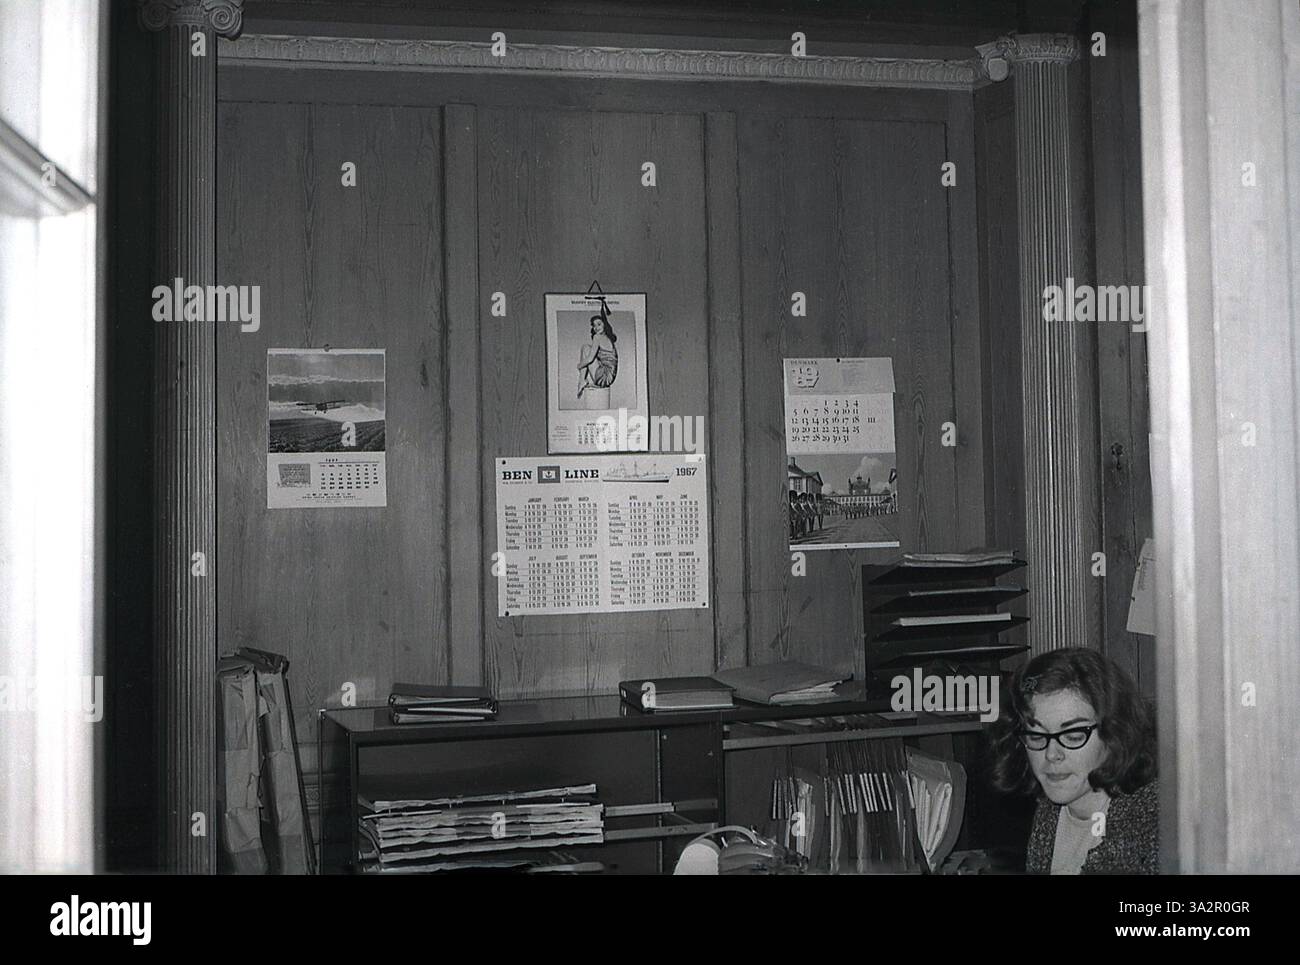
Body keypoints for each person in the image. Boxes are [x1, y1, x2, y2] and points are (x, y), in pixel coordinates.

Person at [990, 647, 1158, 874]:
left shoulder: (1151, 823)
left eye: (1073, 736)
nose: (1051, 754)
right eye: (1036, 735)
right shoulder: (1051, 809)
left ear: (1114, 733)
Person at [577, 304, 618, 398]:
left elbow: (590, 359)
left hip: (604, 377)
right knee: (587, 348)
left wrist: (579, 366)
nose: (596, 327)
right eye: (594, 325)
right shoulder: (607, 338)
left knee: (585, 348)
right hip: (609, 377)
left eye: (599, 324)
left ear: (605, 325)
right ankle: (582, 381)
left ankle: (581, 381)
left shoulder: (597, 337)